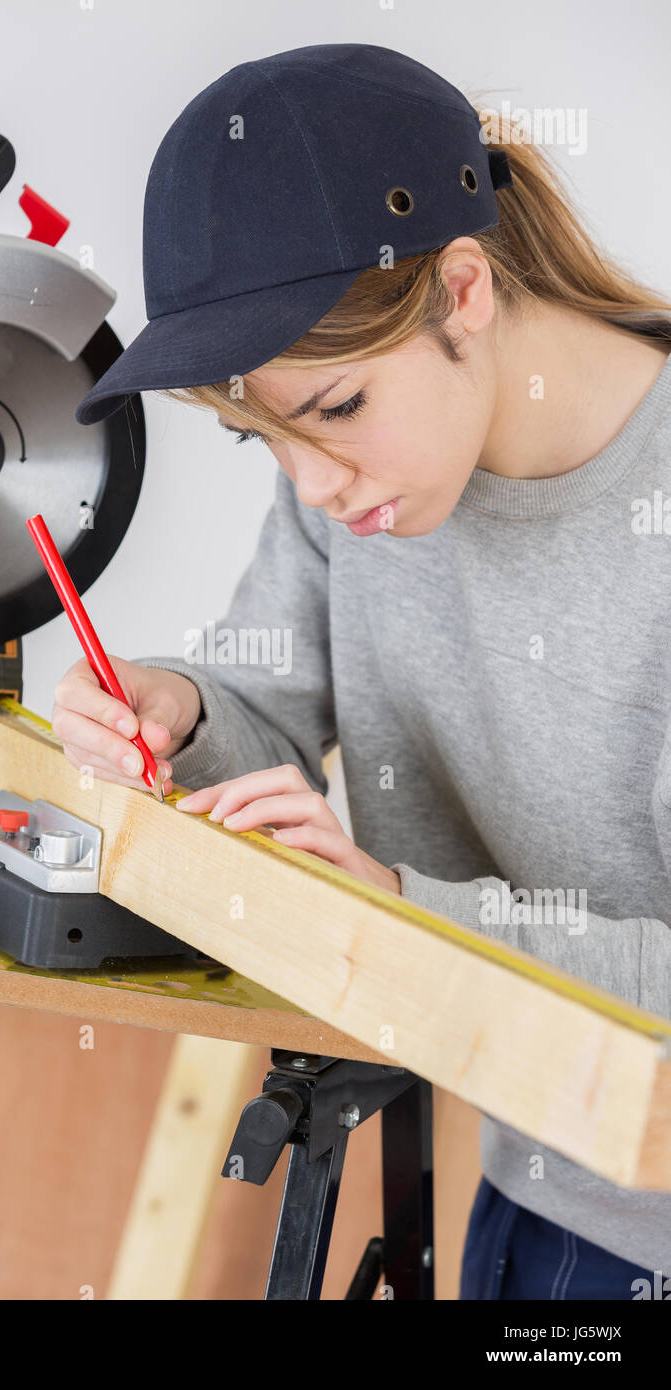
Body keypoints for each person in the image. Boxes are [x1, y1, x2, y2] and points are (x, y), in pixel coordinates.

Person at [54, 43, 671, 1298]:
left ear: (461, 290)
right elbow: (266, 711)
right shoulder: (360, 488)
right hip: (532, 1184)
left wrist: (397, 906)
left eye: (333, 410)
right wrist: (175, 713)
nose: (315, 485)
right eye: (258, 442)